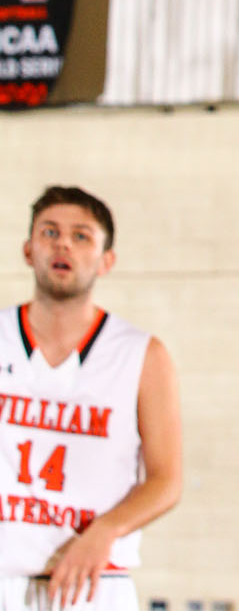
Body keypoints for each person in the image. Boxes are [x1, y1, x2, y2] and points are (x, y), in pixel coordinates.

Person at [1, 187, 182, 611]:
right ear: (28, 250)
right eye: (50, 232)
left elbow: (166, 481)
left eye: (81, 236)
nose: (62, 244)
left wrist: (106, 530)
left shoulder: (142, 354)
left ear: (106, 260)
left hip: (93, 586)